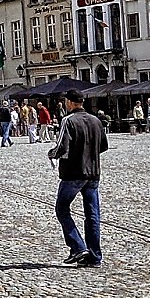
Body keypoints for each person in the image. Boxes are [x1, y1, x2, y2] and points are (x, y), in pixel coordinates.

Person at [47, 89, 108, 267]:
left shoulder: (68, 120)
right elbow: (103, 146)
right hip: (94, 173)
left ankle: (78, 247)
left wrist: (51, 154)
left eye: (66, 101)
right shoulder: (96, 120)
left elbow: (61, 147)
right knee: (92, 214)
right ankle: (95, 256)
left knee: (62, 209)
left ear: (70, 102)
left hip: (74, 173)